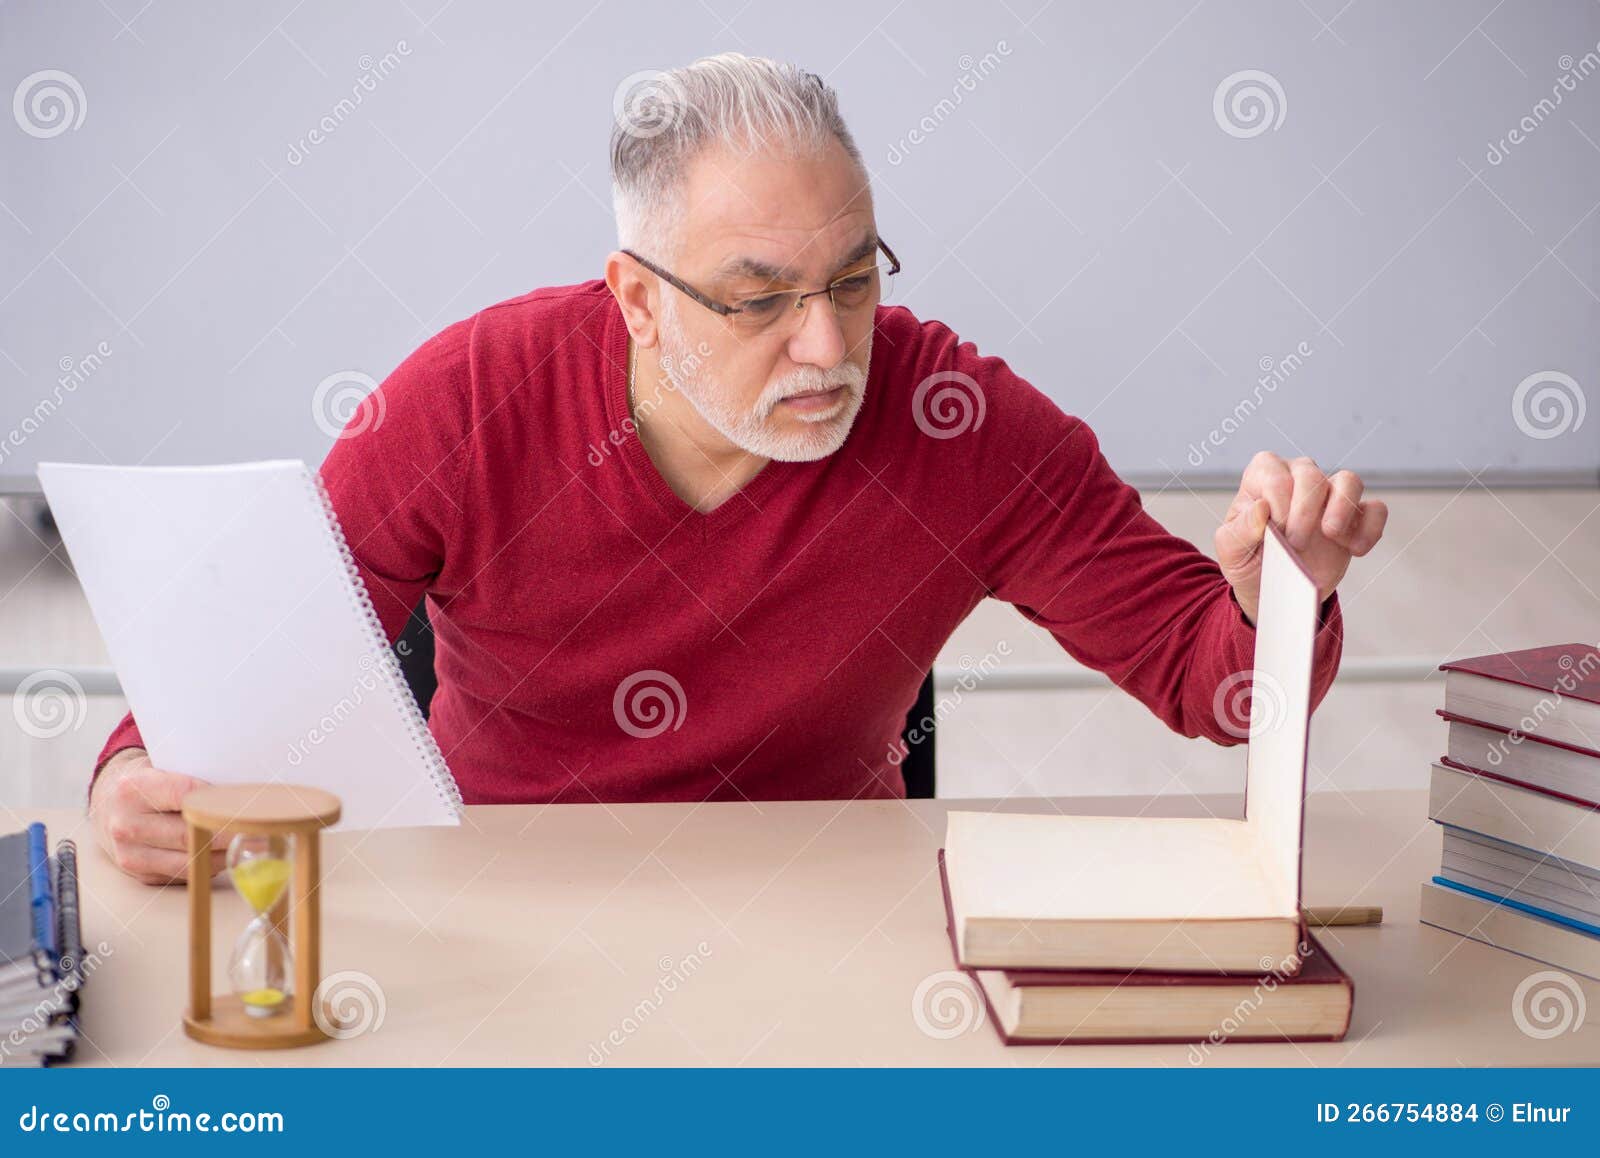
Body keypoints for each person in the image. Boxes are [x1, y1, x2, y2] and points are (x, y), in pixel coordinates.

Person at [88, 53, 1387, 884]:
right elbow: (249, 678)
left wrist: (1287, 596)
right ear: (638, 301)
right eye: (756, 300)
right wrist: (135, 772)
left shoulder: (955, 418)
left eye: (852, 279)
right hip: (509, 892)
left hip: (830, 903)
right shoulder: (475, 395)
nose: (826, 346)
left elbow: (1218, 694)